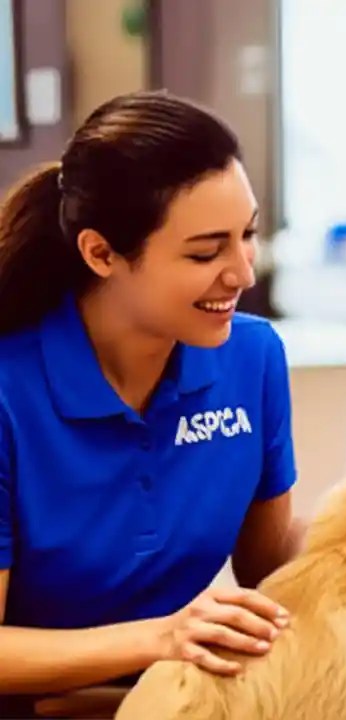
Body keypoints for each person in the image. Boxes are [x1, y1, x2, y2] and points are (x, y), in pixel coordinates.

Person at [0, 91, 303, 718]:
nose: (243, 273)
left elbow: (271, 571)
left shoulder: (252, 359)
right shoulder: (10, 392)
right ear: (101, 253)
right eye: (205, 251)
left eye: (247, 235)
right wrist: (160, 636)